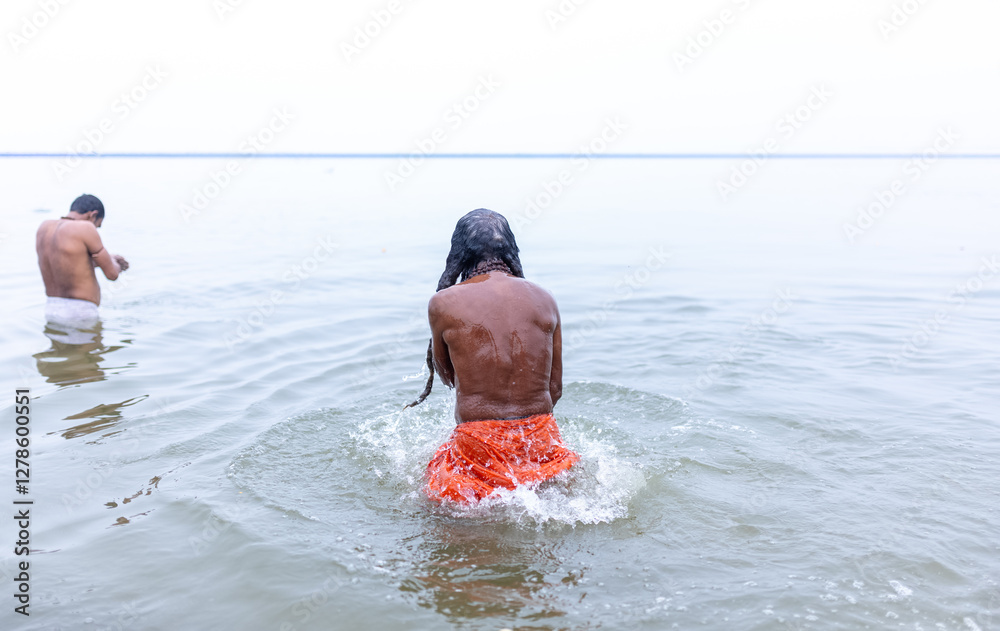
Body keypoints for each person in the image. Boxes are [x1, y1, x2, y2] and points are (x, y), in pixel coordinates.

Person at [408, 209, 578, 503]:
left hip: (478, 447)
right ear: (511, 250)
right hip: (539, 440)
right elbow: (555, 389)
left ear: (459, 254)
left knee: (440, 503)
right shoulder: (545, 298)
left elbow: (447, 377)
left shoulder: (443, 303)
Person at [36, 194, 129, 328]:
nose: (96, 229)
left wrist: (109, 258)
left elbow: (71, 264)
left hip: (51, 309)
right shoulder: (85, 227)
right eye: (98, 225)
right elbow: (112, 274)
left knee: (61, 349)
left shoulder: (44, 228)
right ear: (93, 215)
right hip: (80, 313)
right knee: (91, 349)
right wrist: (118, 264)